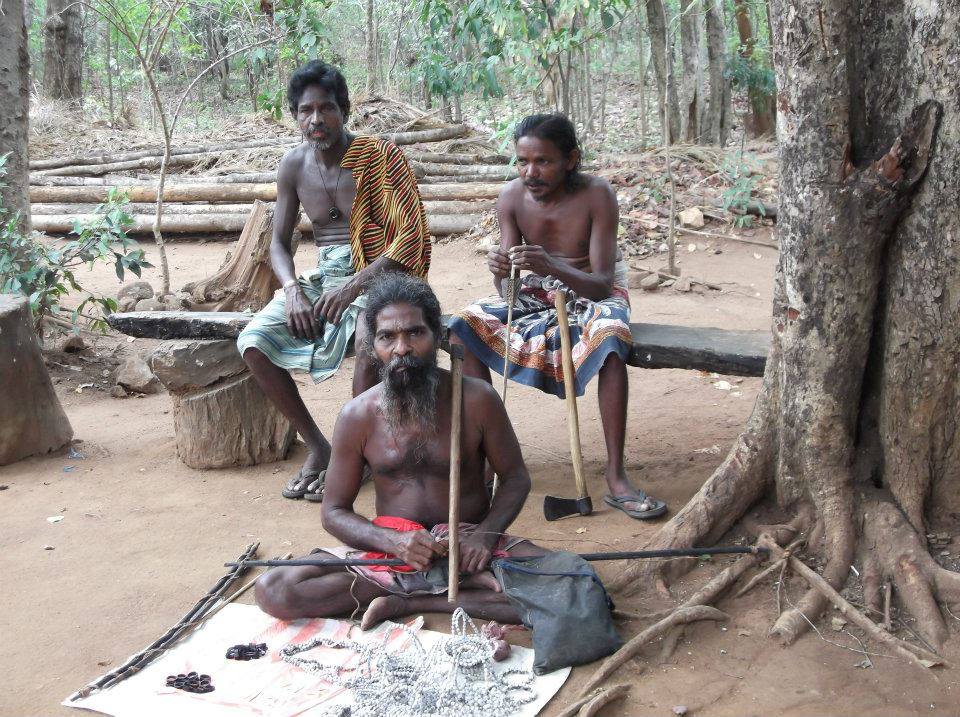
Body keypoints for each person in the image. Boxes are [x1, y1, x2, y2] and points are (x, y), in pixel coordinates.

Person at [255, 273, 542, 629]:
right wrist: (394, 541)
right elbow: (333, 512)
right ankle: (442, 596)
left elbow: (515, 478)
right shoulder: (357, 415)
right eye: (387, 337)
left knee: (571, 584)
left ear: (436, 336)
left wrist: (486, 534)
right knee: (275, 590)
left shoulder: (477, 400)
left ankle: (406, 602)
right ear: (372, 347)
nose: (401, 348)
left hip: (468, 551)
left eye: (414, 333)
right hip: (390, 556)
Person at [448, 113, 667, 520]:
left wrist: (551, 267)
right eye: (522, 162)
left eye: (543, 162)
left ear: (571, 159)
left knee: (611, 337)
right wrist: (501, 275)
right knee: (463, 327)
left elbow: (602, 284)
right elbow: (510, 294)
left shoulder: (597, 195)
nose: (531, 172)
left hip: (591, 290)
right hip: (538, 291)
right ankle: (484, 460)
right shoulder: (511, 197)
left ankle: (616, 476)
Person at [237, 60, 430, 501]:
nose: (316, 119)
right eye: (306, 110)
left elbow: (410, 238)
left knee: (369, 342)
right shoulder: (293, 166)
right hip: (325, 277)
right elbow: (279, 246)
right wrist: (291, 291)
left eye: (326, 108)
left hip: (385, 274)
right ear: (295, 115)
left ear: (344, 110)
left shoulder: (381, 157)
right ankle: (319, 446)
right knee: (252, 341)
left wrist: (353, 288)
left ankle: (352, 455)